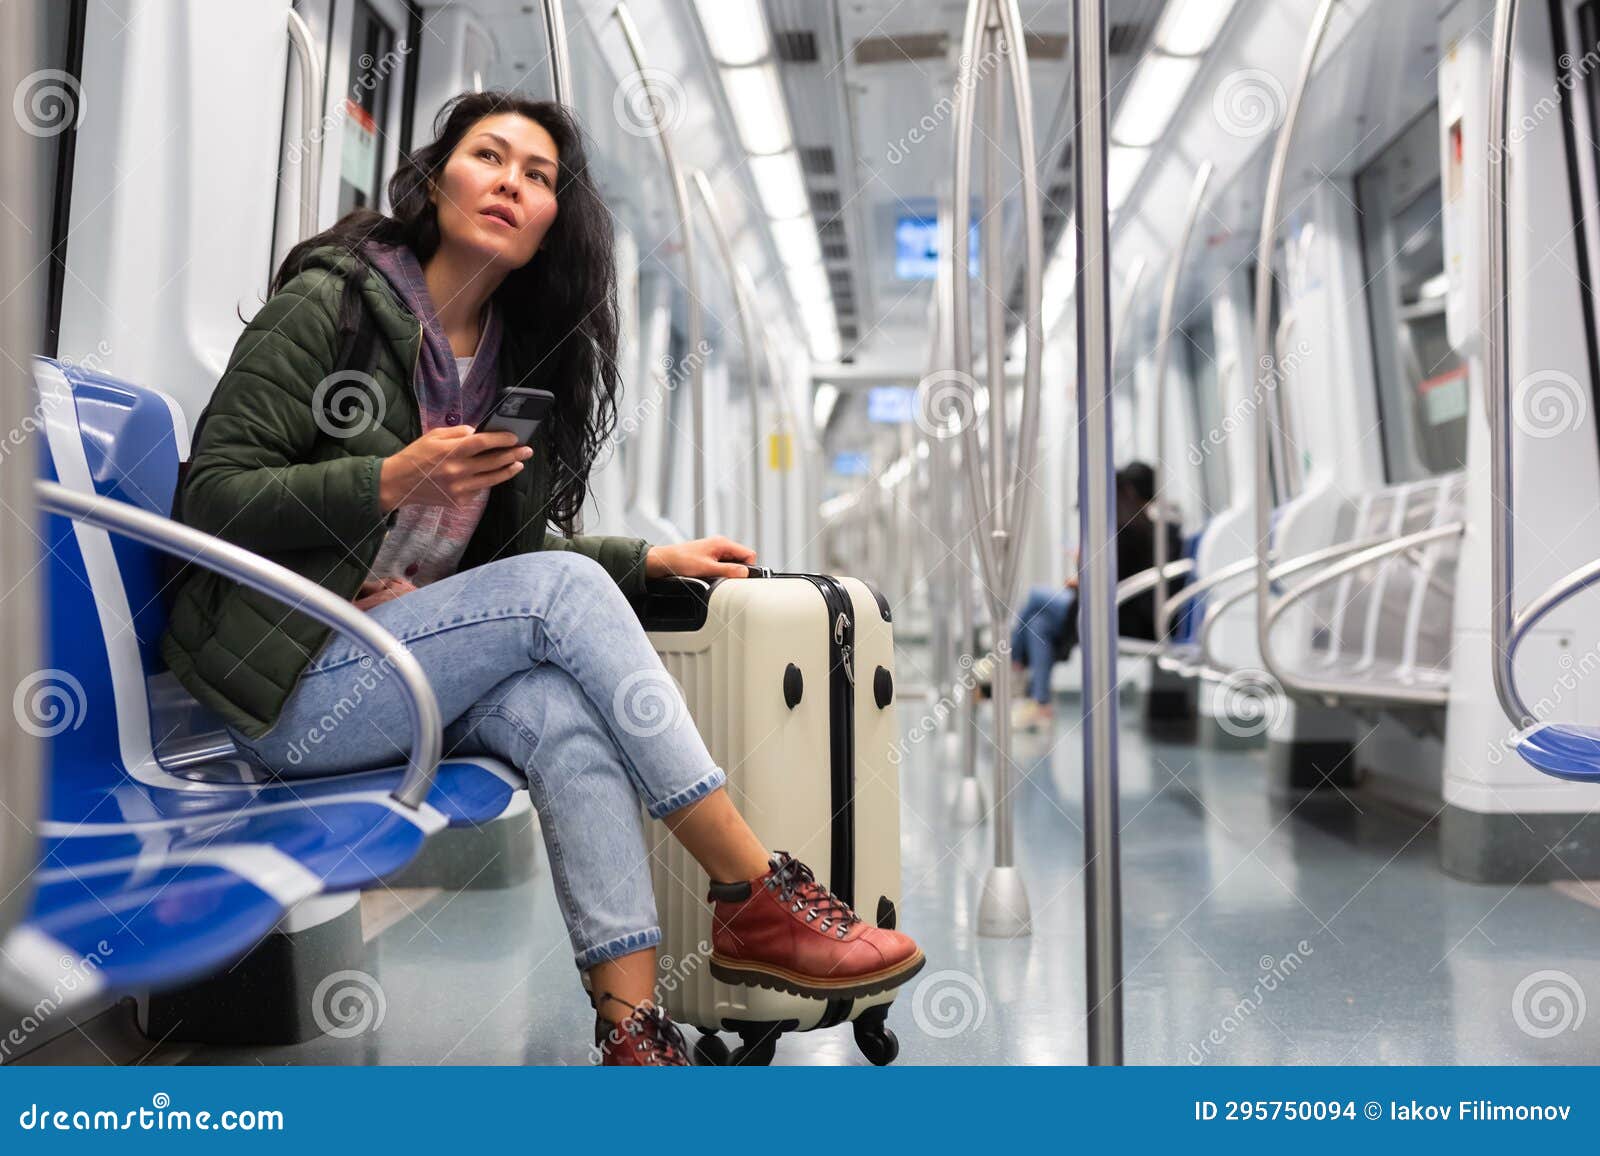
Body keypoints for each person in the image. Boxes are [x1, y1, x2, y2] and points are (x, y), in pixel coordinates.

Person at [160, 92, 922, 1065]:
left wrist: (646, 561)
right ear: (437, 182)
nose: (512, 183)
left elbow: (511, 563)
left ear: (555, 216)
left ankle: (634, 1034)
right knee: (558, 615)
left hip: (393, 663)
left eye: (539, 175)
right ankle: (752, 888)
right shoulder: (333, 307)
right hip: (285, 685)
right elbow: (214, 498)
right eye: (489, 157)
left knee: (557, 709)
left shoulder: (516, 367)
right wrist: (390, 478)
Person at [1008, 462, 1184, 730]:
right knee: (1038, 624)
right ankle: (1038, 699)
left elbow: (1110, 583)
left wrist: (1082, 573)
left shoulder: (1129, 530)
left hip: (1118, 614)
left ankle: (1013, 665)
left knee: (1035, 598)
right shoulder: (1138, 527)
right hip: (1116, 606)